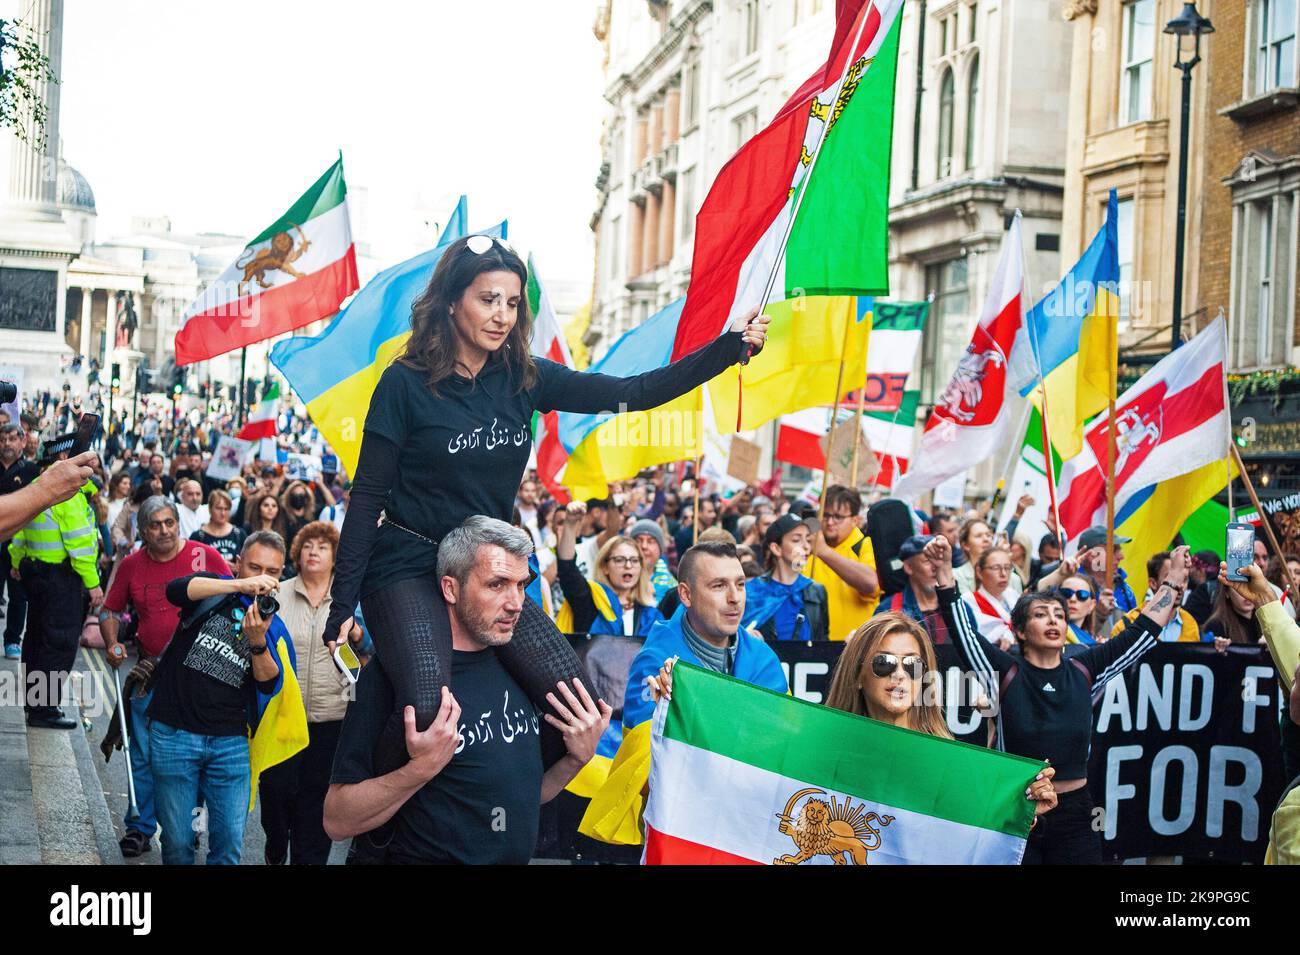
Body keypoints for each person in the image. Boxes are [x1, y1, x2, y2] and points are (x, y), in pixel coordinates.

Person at [322, 234, 768, 775]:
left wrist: (728, 349)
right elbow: (367, 497)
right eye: (488, 299)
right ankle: (374, 816)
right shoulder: (404, 383)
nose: (502, 316)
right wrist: (342, 605)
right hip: (410, 563)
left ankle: (512, 802)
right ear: (450, 301)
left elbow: (634, 392)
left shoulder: (525, 377)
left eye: (513, 303)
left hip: (490, 569)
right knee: (429, 708)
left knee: (580, 709)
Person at [323, 516, 612, 863]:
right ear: (451, 588)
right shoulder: (396, 675)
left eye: (521, 585)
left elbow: (522, 797)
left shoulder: (521, 671)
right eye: (497, 584)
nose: (516, 602)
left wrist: (576, 759)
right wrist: (418, 770)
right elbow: (337, 819)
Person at [930, 534, 1183, 864]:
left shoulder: (1084, 669)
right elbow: (961, 629)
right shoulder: (1006, 672)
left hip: (1076, 815)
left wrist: (1174, 580)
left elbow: (1142, 632)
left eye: (1058, 615)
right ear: (1020, 631)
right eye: (1040, 614)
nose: (1052, 620)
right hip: (1016, 810)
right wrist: (944, 573)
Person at [584, 539, 788, 845]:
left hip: (748, 830)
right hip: (682, 832)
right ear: (686, 594)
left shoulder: (763, 660)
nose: (735, 599)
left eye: (740, 584)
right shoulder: (655, 663)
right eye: (719, 586)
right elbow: (646, 772)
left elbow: (782, 749)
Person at [147, 531, 300, 865]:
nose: (262, 577)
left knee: (228, 846)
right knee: (177, 841)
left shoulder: (274, 626)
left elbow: (269, 685)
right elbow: (175, 591)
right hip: (175, 733)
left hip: (229, 745)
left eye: (271, 572)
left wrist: (257, 641)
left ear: (280, 577)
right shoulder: (214, 589)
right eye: (255, 567)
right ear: (238, 564)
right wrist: (237, 587)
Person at [823, 613, 1058, 820]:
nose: (899, 674)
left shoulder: (948, 760)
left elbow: (971, 831)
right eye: (884, 662)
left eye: (913, 664)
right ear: (857, 676)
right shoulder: (826, 752)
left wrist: (1021, 810)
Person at [100, 496, 231, 857]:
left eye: (170, 522)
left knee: (196, 758)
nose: (164, 531)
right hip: (148, 672)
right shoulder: (130, 565)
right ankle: (139, 827)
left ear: (178, 523)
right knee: (142, 754)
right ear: (142, 531)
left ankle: (194, 829)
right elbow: (109, 610)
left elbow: (233, 601)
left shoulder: (206, 557)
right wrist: (112, 643)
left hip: (198, 677)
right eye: (155, 525)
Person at [260, 521, 356, 865]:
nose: (313, 551)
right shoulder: (278, 595)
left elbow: (371, 648)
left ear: (335, 557)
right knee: (275, 796)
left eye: (323, 546)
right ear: (297, 554)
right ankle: (275, 845)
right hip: (284, 715)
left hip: (332, 719)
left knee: (316, 805)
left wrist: (359, 635)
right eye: (307, 545)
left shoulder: (349, 600)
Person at [7, 445, 102, 729]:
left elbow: (20, 528)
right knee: (57, 644)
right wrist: (94, 584)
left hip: (36, 574)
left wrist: (16, 560)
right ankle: (44, 710)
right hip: (62, 579)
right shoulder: (66, 492)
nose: (89, 464)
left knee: (36, 639)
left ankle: (34, 703)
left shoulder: (38, 486)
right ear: (64, 459)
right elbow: (80, 544)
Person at [555, 504, 665, 636]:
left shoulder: (652, 615)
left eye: (634, 560)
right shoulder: (590, 602)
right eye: (620, 560)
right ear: (605, 567)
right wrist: (570, 524)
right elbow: (567, 569)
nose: (628, 566)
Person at [874, 535, 978, 646]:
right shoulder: (889, 610)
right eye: (928, 561)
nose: (936, 567)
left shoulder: (960, 609)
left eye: (939, 560)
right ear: (909, 567)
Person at [805, 484, 879, 641]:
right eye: (825, 515)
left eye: (838, 517)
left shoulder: (866, 545)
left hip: (855, 647)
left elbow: (870, 583)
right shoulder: (808, 546)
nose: (830, 522)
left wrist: (824, 552)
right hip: (815, 646)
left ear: (855, 520)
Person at [744, 513, 829, 641]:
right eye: (796, 540)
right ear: (776, 548)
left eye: (808, 539)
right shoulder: (752, 591)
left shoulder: (816, 591)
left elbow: (822, 642)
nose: (806, 546)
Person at [1, 423, 40, 659]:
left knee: (18, 593)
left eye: (12, 438)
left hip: (17, 540)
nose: (7, 443)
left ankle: (13, 640)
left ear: (22, 442)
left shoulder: (30, 471)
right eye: (3, 438)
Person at [0, 448, 98, 541]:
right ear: (63, 456)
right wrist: (48, 489)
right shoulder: (67, 490)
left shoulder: (36, 484)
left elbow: (18, 536)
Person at [1109, 550, 1200, 643]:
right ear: (1153, 583)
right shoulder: (1128, 623)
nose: (1179, 585)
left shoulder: (1190, 624)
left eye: (1184, 579)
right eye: (1171, 578)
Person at [962, 547, 1018, 650]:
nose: (1003, 574)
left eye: (1007, 567)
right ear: (979, 572)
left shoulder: (1013, 595)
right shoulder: (968, 601)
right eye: (996, 568)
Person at [953, 518, 1024, 598]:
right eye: (978, 536)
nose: (986, 539)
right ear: (965, 545)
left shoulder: (1014, 578)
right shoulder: (957, 576)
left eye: (988, 535)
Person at [1075, 525, 1137, 614]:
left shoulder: (1124, 589)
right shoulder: (1070, 588)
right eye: (1113, 550)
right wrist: (1098, 613)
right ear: (1092, 555)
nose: (1121, 556)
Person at [190, 489, 246, 566]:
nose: (223, 513)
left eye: (226, 509)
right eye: (219, 508)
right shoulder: (197, 537)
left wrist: (235, 568)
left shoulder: (239, 534)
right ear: (210, 509)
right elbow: (193, 567)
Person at [1058, 571, 1115, 645]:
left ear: (1092, 605)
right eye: (1066, 593)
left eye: (1082, 595)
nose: (1073, 599)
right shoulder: (1046, 633)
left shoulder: (1094, 645)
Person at [629, 518, 677, 602]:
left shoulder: (671, 588)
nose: (644, 546)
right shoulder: (620, 581)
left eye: (650, 541)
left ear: (660, 549)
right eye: (638, 541)